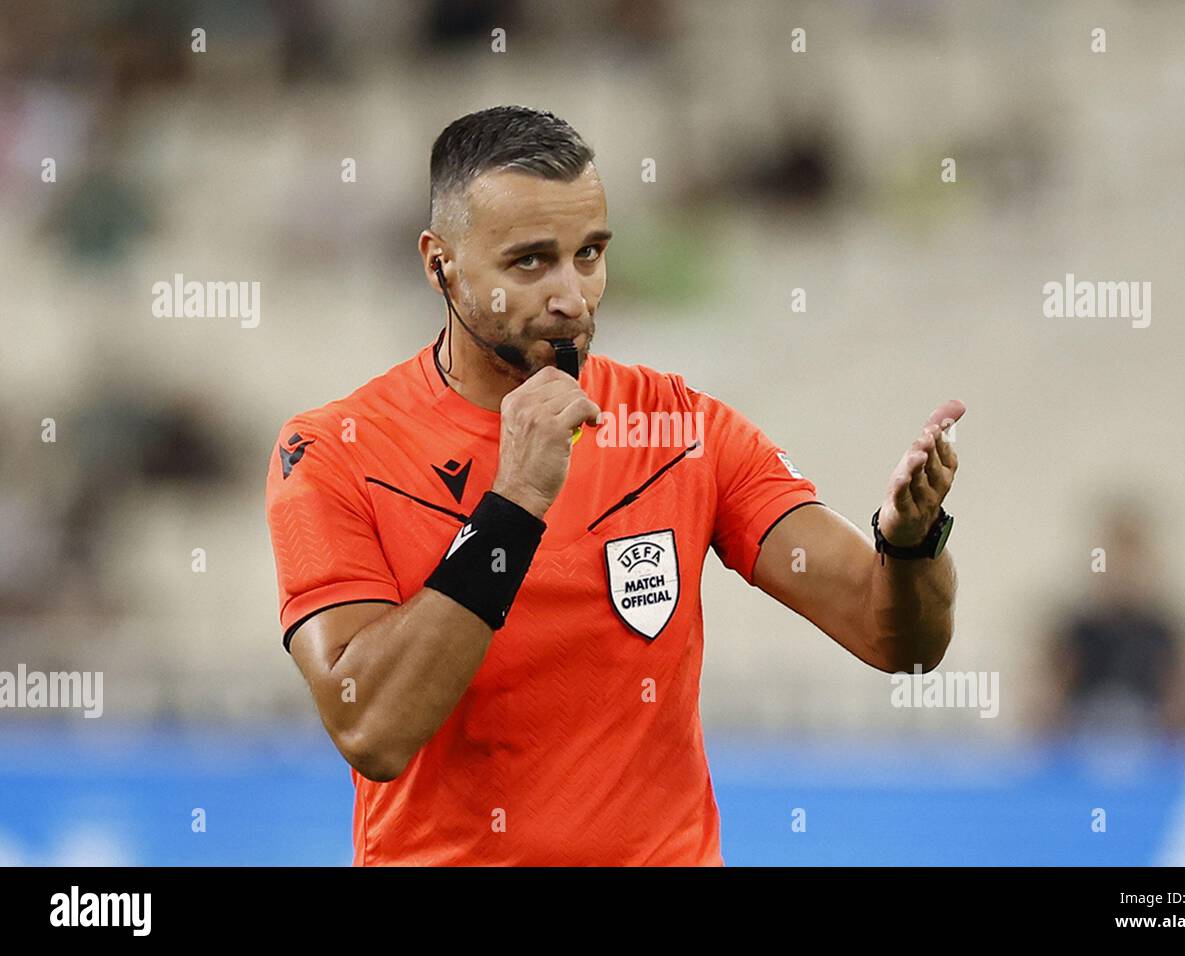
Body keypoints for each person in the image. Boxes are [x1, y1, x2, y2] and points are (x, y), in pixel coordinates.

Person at [264, 105, 965, 865]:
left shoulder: (679, 430)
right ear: (440, 263)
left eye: (590, 254)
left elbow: (897, 641)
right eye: (530, 262)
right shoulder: (334, 449)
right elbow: (371, 730)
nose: (572, 295)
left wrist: (911, 544)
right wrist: (515, 503)